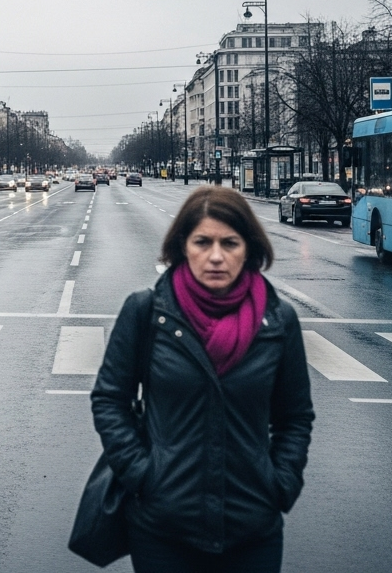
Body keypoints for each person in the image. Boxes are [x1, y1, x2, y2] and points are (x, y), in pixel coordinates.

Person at [90, 186, 313, 573]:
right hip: (164, 527)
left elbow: (294, 417)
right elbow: (110, 400)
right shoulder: (147, 312)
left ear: (250, 249)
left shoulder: (279, 321)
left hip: (252, 527)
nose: (215, 256)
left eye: (230, 243)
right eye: (202, 242)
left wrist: (281, 484)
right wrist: (144, 475)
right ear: (182, 246)